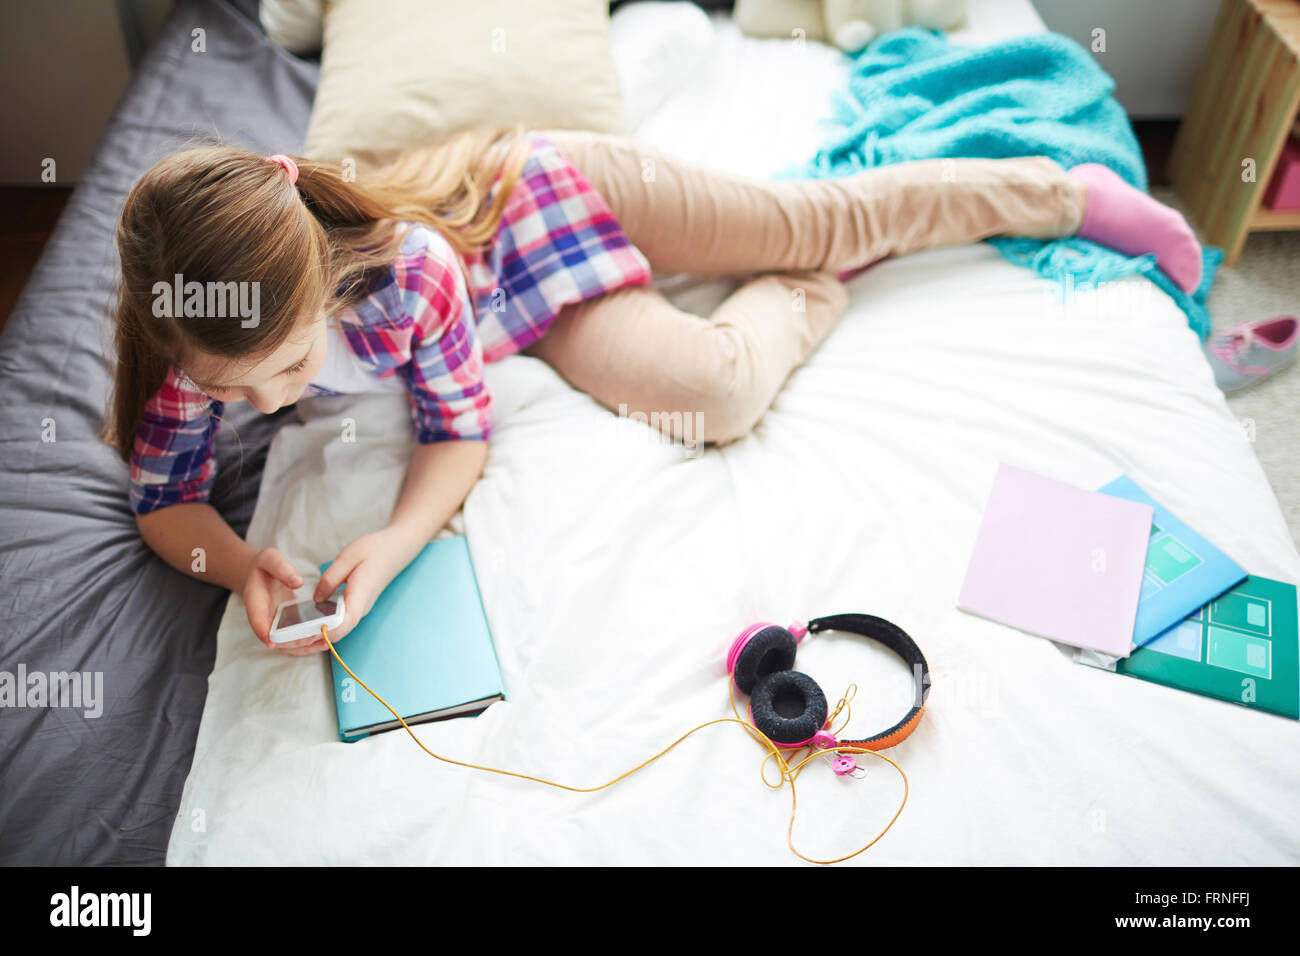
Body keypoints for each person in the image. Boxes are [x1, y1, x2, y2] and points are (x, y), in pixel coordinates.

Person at [104, 124, 1202, 652]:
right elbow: (166, 500)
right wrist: (244, 564)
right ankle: (812, 290)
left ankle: (1061, 194)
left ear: (324, 279)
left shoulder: (404, 272)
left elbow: (457, 432)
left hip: (537, 187)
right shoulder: (189, 338)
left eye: (288, 370)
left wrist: (388, 545)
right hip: (526, 299)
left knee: (816, 215)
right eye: (233, 393)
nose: (261, 405)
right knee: (716, 394)